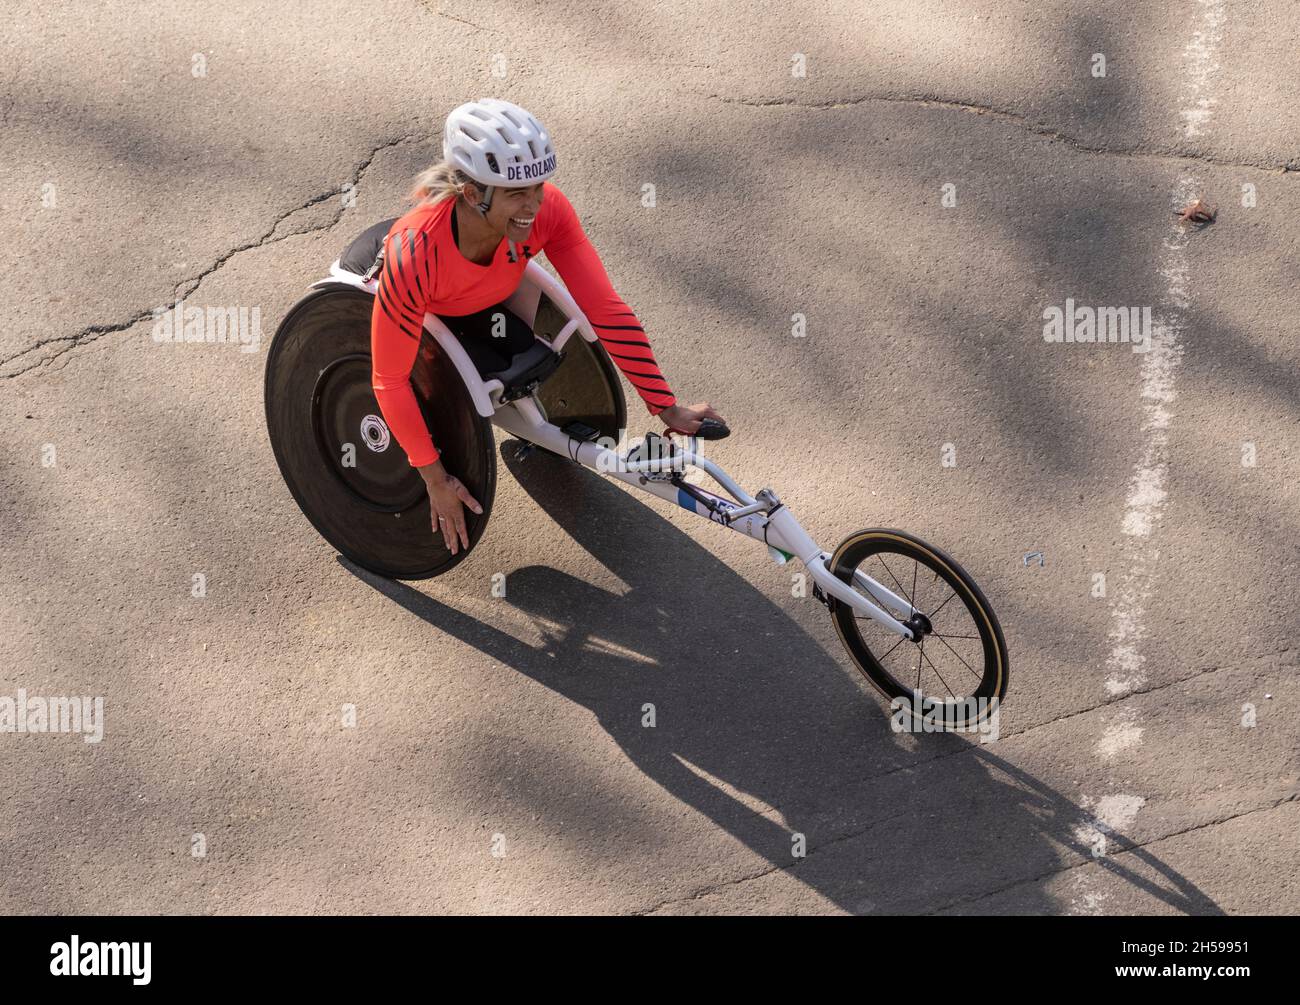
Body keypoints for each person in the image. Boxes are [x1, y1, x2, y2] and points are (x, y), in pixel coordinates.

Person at [371, 98, 725, 555]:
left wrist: (667, 409)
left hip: (490, 302)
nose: (534, 205)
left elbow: (604, 308)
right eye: (517, 194)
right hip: (427, 316)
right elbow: (389, 379)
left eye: (538, 186)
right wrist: (435, 480)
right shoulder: (414, 254)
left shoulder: (548, 210)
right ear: (472, 193)